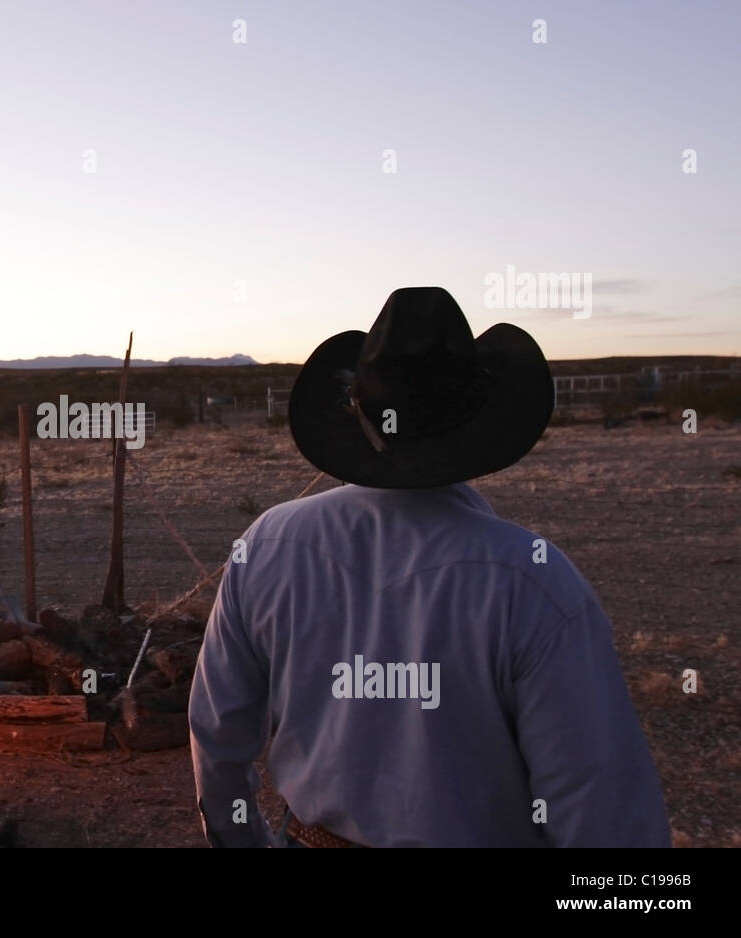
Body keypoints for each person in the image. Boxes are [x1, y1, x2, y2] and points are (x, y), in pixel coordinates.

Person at [188, 286, 671, 847]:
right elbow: (601, 813)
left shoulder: (267, 545)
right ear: (482, 420)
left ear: (355, 412)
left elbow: (217, 735)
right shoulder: (534, 584)